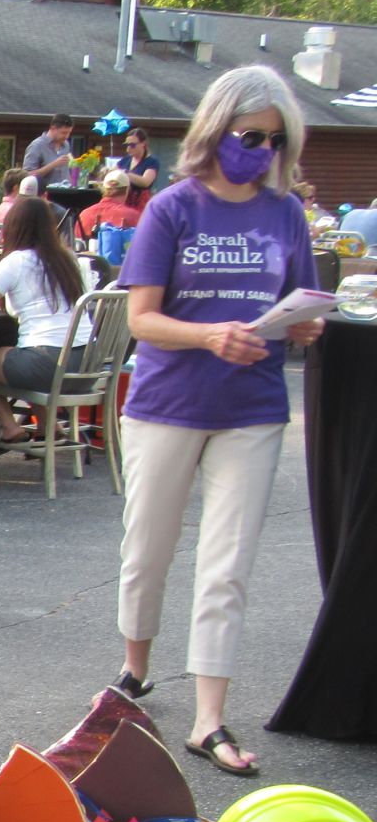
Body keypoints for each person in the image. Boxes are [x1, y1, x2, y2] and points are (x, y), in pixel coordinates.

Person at [113, 65, 324, 776]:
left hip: (254, 408)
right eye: (250, 135)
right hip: (169, 402)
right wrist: (208, 335)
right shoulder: (173, 208)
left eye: (275, 138)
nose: (262, 149)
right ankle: (134, 670)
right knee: (149, 547)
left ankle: (208, 720)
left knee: (227, 566)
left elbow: (299, 296)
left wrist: (300, 327)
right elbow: (141, 319)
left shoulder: (285, 212)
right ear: (216, 129)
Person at [0, 197, 93, 445]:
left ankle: (10, 427)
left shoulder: (18, 261)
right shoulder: (69, 259)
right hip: (87, 367)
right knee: (24, 355)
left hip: (48, 366)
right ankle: (47, 426)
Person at [74, 168, 143, 240]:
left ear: (103, 189)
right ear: (127, 190)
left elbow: (77, 245)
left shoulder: (84, 215)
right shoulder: (134, 216)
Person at [24, 114, 76, 184]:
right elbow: (27, 175)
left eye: (69, 133)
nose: (67, 136)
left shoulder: (66, 145)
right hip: (45, 193)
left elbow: (67, 171)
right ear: (53, 128)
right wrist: (53, 164)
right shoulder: (36, 146)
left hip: (66, 192)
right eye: (64, 133)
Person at [119, 126, 161, 212]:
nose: (128, 149)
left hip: (140, 205)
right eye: (127, 145)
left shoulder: (152, 161)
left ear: (143, 143)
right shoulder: (126, 160)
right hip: (123, 203)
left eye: (132, 145)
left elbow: (145, 182)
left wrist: (125, 173)